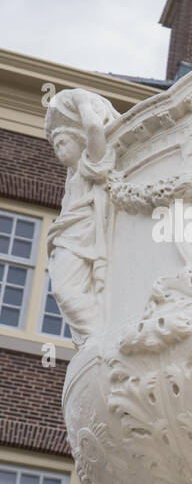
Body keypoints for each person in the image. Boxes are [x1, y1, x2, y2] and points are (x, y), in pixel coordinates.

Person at [44, 89, 119, 342]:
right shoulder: (72, 180)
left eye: (62, 142)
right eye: (54, 146)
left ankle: (97, 339)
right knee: (62, 291)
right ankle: (94, 339)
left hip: (82, 235)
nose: (58, 150)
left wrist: (80, 99)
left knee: (64, 291)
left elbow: (95, 130)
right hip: (69, 236)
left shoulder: (91, 165)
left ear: (79, 140)